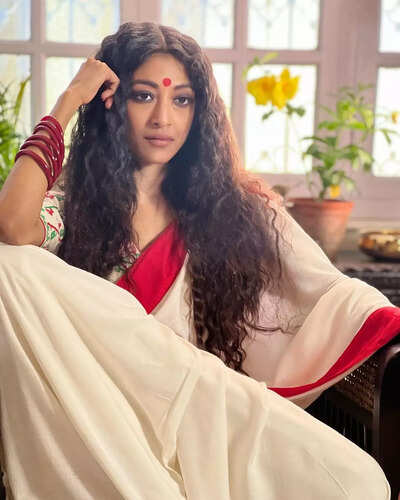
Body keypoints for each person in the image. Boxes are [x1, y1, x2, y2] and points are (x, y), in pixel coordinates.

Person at [0, 21, 398, 499]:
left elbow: (326, 289)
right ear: (110, 102)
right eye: (143, 96)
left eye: (182, 100)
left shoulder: (237, 207)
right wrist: (67, 102)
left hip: (199, 403)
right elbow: (11, 227)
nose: (163, 118)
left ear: (199, 110)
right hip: (107, 419)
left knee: (359, 483)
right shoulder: (72, 209)